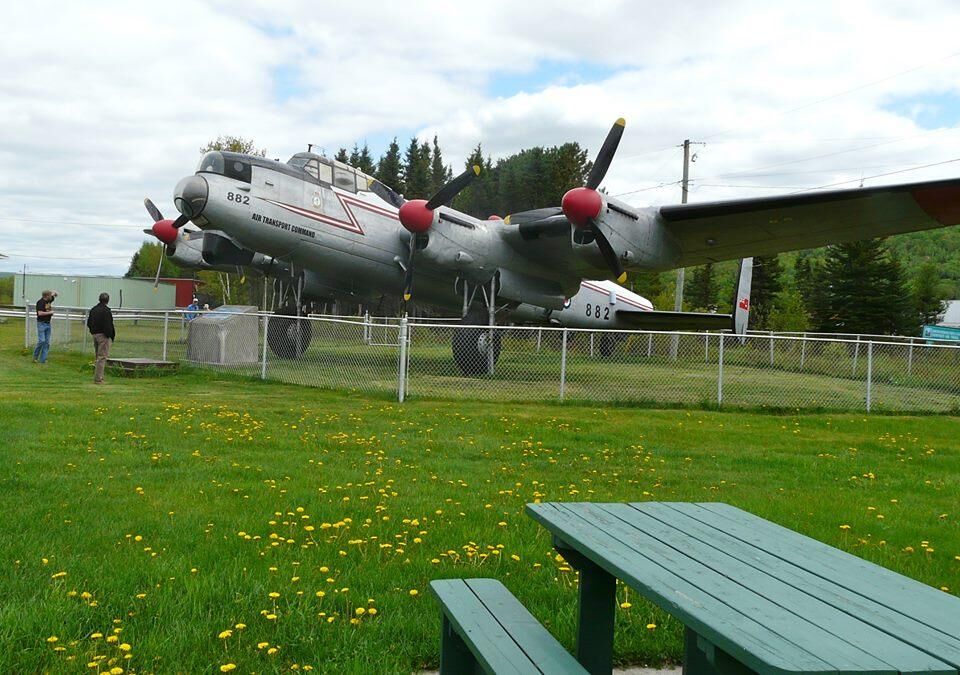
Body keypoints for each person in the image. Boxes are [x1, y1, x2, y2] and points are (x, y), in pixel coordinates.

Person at [86, 292, 116, 384]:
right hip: (103, 336)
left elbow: (89, 322)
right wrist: (110, 335)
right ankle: (98, 379)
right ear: (108, 300)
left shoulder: (94, 309)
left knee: (97, 356)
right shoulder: (106, 311)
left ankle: (98, 376)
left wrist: (92, 331)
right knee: (102, 357)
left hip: (95, 334)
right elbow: (108, 325)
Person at [32, 290, 56, 364]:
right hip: (41, 324)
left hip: (48, 324)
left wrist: (54, 293)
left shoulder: (48, 301)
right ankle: (35, 357)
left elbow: (55, 294)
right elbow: (40, 313)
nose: (51, 297)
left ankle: (43, 360)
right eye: (50, 296)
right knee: (42, 341)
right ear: (46, 296)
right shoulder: (40, 302)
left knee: (47, 342)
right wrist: (50, 312)